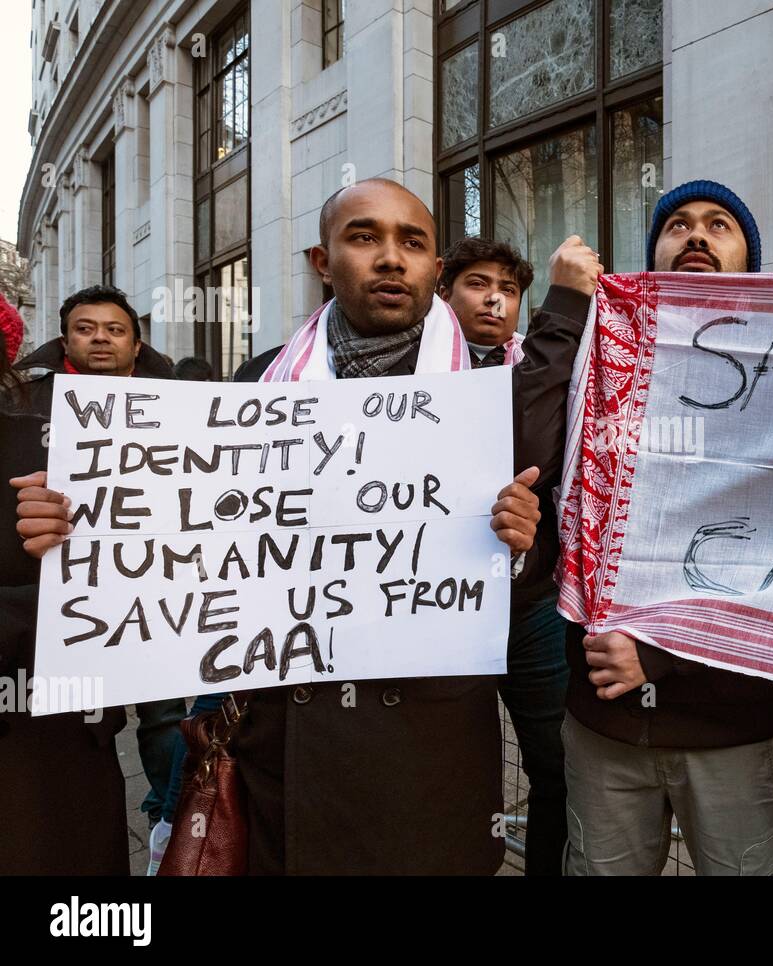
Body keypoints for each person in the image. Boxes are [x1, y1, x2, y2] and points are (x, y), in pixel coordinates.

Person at [14, 179, 543, 874]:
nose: (391, 258)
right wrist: (74, 526)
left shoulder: (499, 389)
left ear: (434, 271)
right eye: (364, 237)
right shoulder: (256, 385)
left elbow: (534, 581)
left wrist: (517, 543)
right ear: (322, 262)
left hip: (429, 748)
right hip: (280, 742)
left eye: (412, 242)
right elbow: (190, 542)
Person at [560, 180, 773, 876]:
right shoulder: (599, 360)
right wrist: (565, 309)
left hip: (730, 728)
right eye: (678, 225)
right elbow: (539, 460)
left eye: (719, 225)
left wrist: (658, 655)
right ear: (650, 254)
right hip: (603, 724)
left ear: (748, 258)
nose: (696, 234)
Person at [438, 235, 598, 874]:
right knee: (450, 770)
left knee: (555, 765)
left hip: (529, 606)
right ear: (444, 293)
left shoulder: (540, 366)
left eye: (508, 290)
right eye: (478, 284)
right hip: (439, 611)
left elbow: (533, 450)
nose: (495, 299)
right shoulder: (413, 372)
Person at [0, 304, 131, 874]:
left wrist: (72, 542)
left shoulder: (33, 444)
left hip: (50, 747)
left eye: (115, 329)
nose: (100, 340)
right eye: (86, 328)